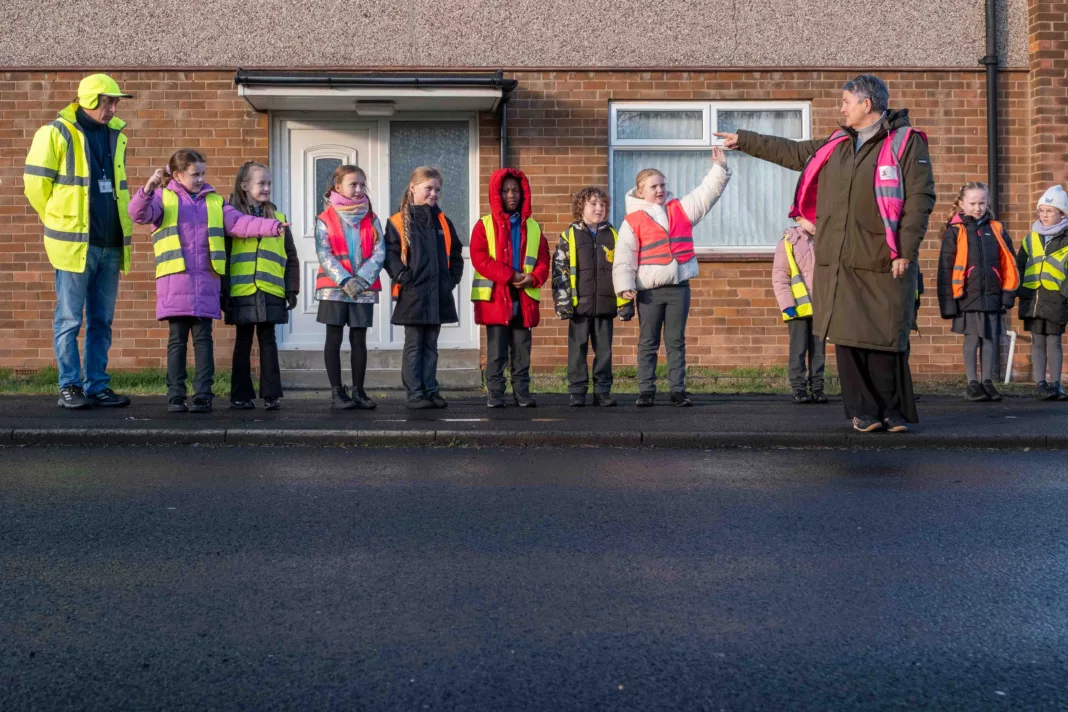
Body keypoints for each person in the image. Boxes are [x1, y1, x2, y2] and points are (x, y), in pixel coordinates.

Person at [717, 74, 936, 433]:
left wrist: (905, 251)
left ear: (867, 105)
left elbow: (919, 200)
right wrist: (746, 141)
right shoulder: (836, 144)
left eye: (846, 101)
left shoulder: (906, 144)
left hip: (883, 258)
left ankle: (892, 411)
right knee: (848, 340)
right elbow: (793, 152)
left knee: (885, 338)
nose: (841, 107)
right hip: (837, 260)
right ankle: (863, 412)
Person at [128, 149, 285, 413]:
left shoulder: (214, 201)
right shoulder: (162, 198)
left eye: (203, 173)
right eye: (195, 174)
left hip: (206, 284)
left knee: (204, 342)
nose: (201, 178)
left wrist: (271, 226)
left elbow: (240, 223)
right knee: (177, 341)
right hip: (176, 283)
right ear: (177, 175)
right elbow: (139, 215)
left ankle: (203, 395)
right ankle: (176, 396)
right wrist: (147, 189)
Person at [24, 74, 135, 409]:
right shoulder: (56, 133)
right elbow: (35, 186)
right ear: (88, 100)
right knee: (70, 319)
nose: (113, 107)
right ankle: (70, 386)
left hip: (111, 243)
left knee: (102, 320)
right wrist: (56, 220)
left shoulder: (116, 134)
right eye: (107, 101)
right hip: (74, 244)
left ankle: (98, 384)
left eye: (115, 101)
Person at [612, 149, 731, 407]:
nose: (659, 190)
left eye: (662, 185)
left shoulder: (681, 209)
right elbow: (624, 257)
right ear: (640, 191)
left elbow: (705, 194)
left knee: (676, 341)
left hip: (679, 289)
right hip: (649, 293)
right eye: (653, 186)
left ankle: (678, 390)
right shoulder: (632, 220)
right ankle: (646, 391)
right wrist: (624, 287)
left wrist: (719, 168)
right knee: (648, 342)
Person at [383, 166, 464, 409]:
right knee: (414, 345)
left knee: (431, 346)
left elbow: (456, 254)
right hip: (413, 295)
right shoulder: (397, 222)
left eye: (437, 189)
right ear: (413, 188)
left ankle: (431, 390)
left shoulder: (443, 221)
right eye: (428, 188)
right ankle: (415, 393)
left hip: (438, 294)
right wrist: (402, 276)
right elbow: (390, 254)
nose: (434, 193)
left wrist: (451, 280)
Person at [470, 168, 550, 408]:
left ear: (523, 193)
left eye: (515, 190)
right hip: (496, 297)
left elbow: (544, 259)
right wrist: (510, 275)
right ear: (497, 194)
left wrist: (533, 278)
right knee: (496, 350)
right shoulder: (484, 225)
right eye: (505, 191)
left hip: (524, 297)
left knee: (522, 350)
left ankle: (522, 392)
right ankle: (495, 392)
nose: (511, 195)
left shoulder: (533, 227)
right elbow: (479, 257)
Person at [223, 162, 299, 410]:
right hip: (242, 290)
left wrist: (291, 289)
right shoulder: (231, 219)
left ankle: (271, 394)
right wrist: (223, 291)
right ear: (244, 186)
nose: (267, 188)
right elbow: (222, 256)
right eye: (261, 183)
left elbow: (291, 257)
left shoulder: (279, 219)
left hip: (270, 290)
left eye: (269, 183)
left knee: (268, 342)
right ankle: (240, 394)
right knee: (243, 342)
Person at [936, 182, 1018, 402]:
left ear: (987, 202)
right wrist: (949, 303)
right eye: (972, 203)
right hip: (967, 295)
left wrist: (1008, 294)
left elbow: (1009, 263)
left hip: (992, 294)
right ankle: (973, 383)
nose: (978, 207)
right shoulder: (955, 231)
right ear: (962, 204)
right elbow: (945, 268)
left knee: (990, 338)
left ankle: (988, 381)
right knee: (972, 339)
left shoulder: (997, 229)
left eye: (982, 202)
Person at [552, 187, 634, 407]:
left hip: (606, 304)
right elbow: (560, 271)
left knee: (605, 350)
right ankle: (577, 391)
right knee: (577, 349)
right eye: (593, 204)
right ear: (581, 208)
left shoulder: (614, 235)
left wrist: (625, 302)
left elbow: (624, 269)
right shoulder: (569, 235)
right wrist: (563, 302)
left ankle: (602, 391)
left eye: (602, 205)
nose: (599, 209)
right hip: (579, 306)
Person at [313, 165, 385, 410]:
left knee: (359, 339)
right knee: (333, 338)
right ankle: (337, 391)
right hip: (333, 288)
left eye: (362, 185)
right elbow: (324, 253)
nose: (358, 189)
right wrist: (345, 280)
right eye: (353, 184)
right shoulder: (325, 219)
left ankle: (359, 391)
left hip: (362, 289)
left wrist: (361, 280)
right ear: (338, 187)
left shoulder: (371, 218)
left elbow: (379, 251)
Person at [1016, 185, 1068, 400]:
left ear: (1062, 214)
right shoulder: (1030, 239)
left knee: (1054, 341)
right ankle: (1040, 384)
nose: (1044, 215)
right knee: (1037, 340)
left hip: (1056, 299)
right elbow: (1019, 267)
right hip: (1033, 299)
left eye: (1050, 211)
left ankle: (1056, 385)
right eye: (1041, 211)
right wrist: (1019, 292)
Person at [772, 216, 827, 404]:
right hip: (797, 307)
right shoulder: (788, 243)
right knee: (798, 349)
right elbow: (780, 278)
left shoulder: (822, 241)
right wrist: (787, 305)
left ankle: (818, 388)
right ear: (799, 219)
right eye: (813, 219)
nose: (817, 224)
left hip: (820, 306)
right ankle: (799, 388)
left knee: (819, 351)